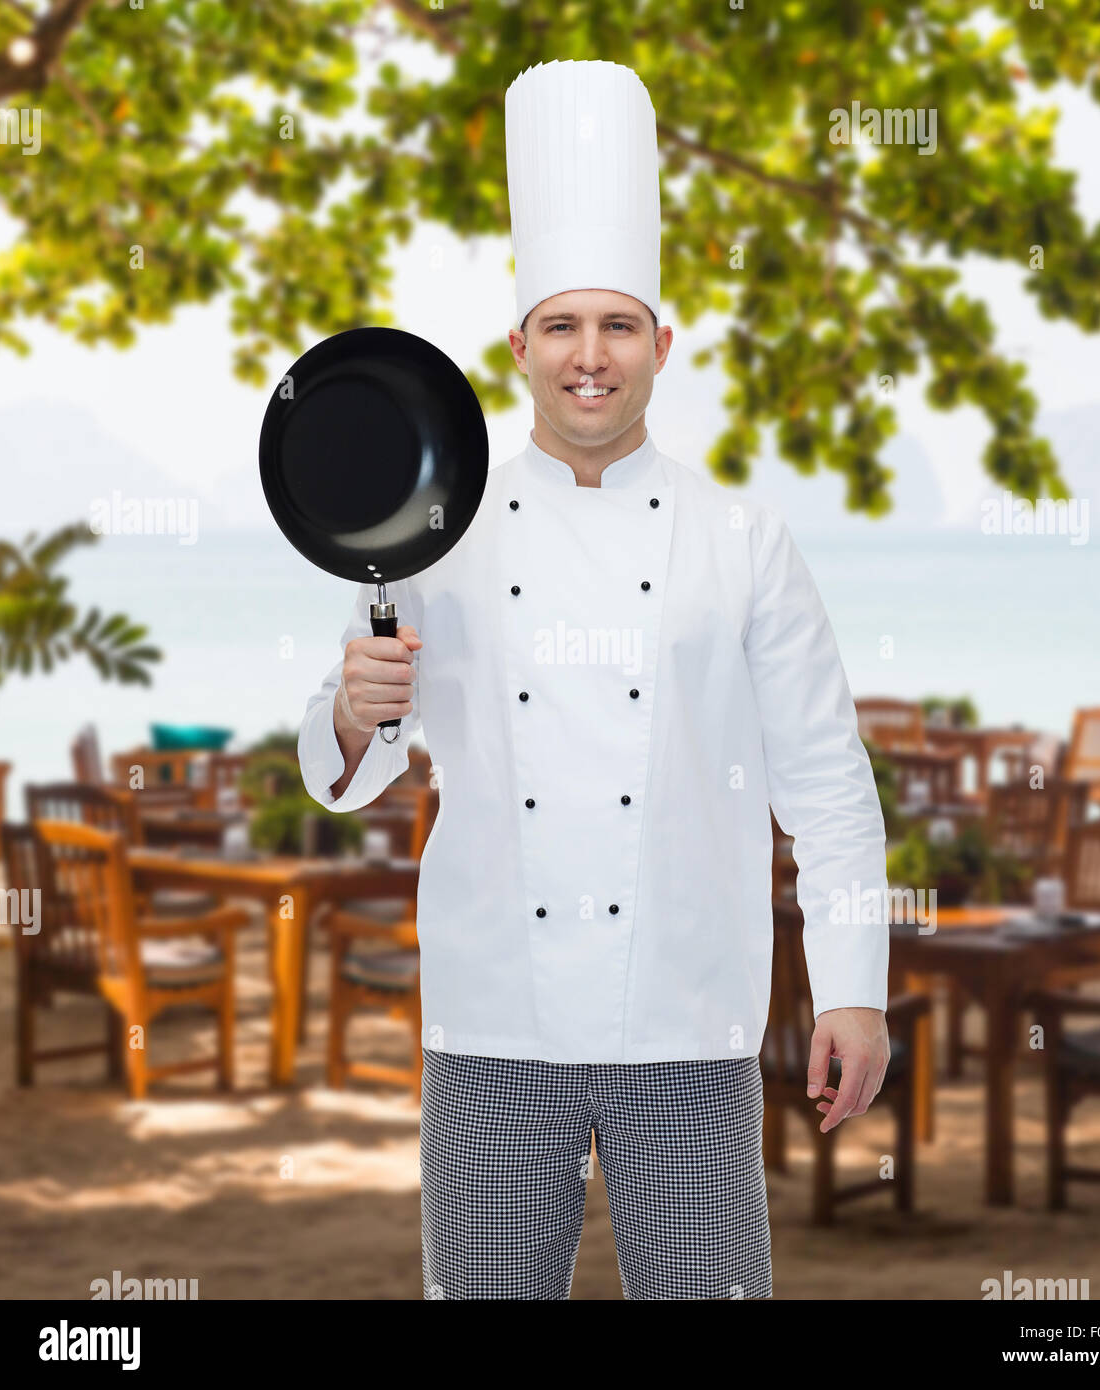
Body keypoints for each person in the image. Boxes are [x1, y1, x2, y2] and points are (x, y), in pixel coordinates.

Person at [298, 58, 890, 1301]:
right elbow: (356, 757)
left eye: (617, 325)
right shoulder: (432, 535)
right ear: (519, 346)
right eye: (561, 325)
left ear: (661, 344)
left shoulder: (742, 541)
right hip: (492, 1025)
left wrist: (855, 992)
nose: (589, 356)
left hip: (688, 1017)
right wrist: (351, 716)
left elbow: (827, 781)